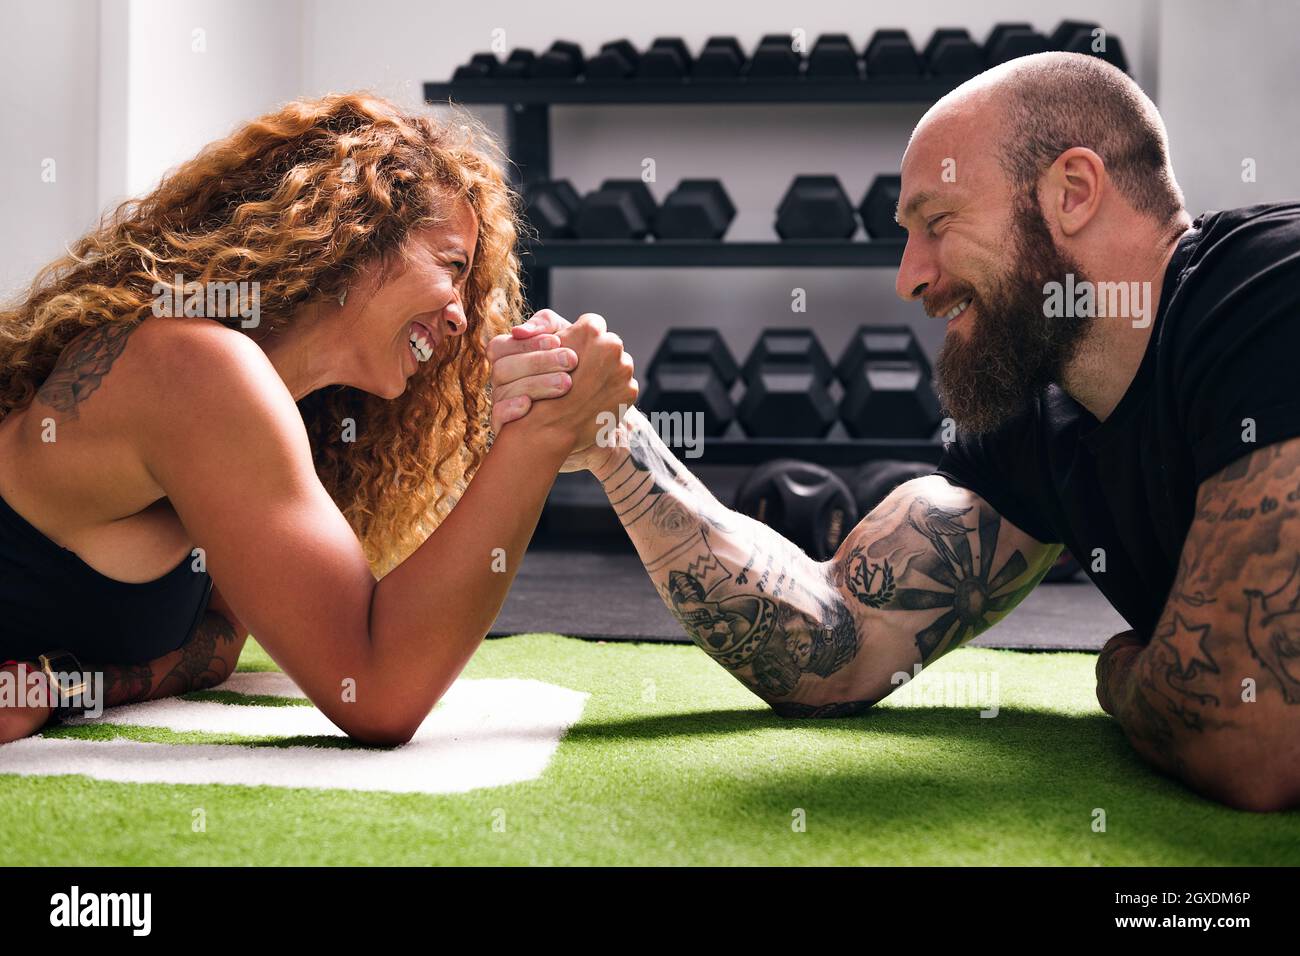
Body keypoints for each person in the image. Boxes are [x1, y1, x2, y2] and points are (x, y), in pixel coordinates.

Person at [492, 52, 1300, 812]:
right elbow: (837, 643)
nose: (910, 276)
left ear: (1073, 191)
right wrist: (620, 444)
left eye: (938, 221)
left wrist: (1124, 673)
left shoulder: (1269, 290)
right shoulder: (1043, 424)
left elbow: (1248, 734)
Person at [0, 93, 635, 745]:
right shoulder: (192, 367)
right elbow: (378, 692)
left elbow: (214, 647)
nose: (461, 318)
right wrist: (539, 433)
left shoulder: (276, 417)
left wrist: (60, 688)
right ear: (358, 231)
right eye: (451, 266)